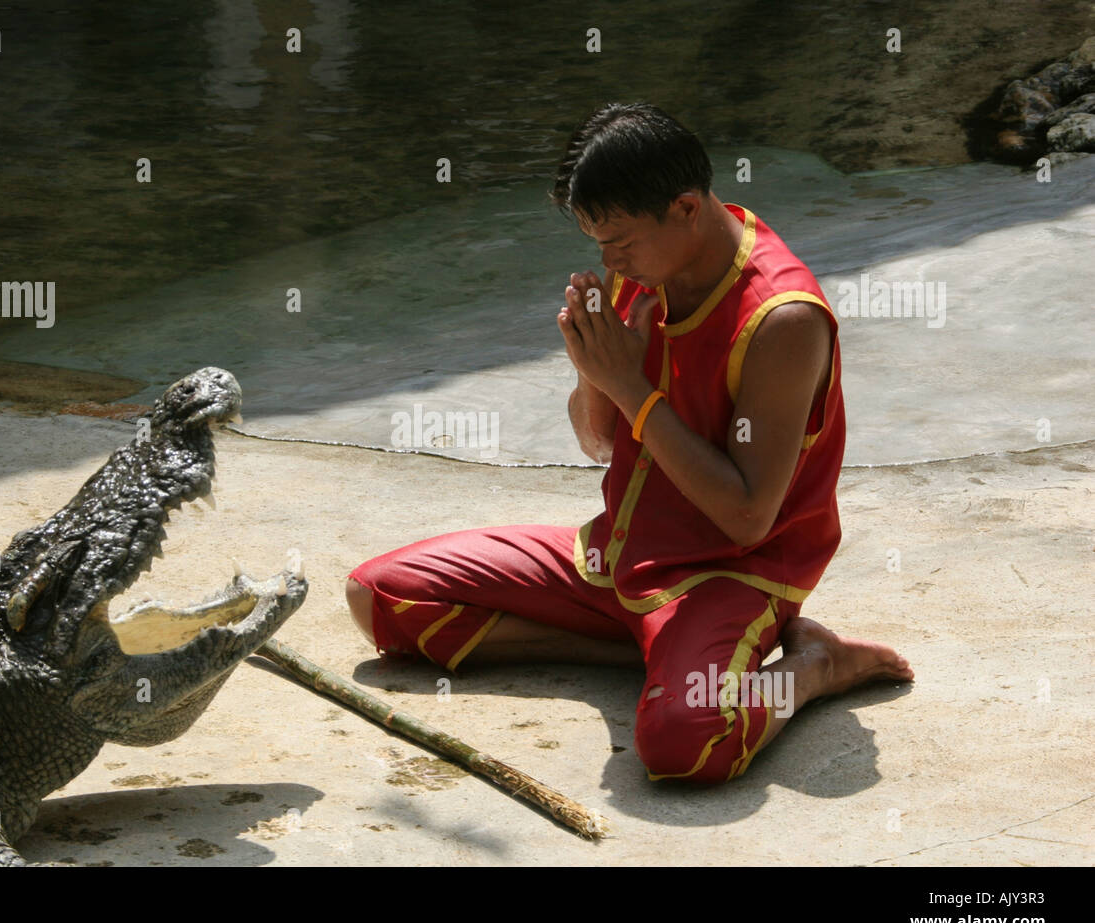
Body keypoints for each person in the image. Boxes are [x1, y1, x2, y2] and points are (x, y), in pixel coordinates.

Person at [345, 103, 913, 784]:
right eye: (597, 242)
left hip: (731, 573)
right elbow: (597, 442)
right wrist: (599, 378)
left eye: (620, 241)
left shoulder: (780, 320)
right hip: (617, 554)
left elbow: (747, 516)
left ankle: (812, 668)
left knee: (685, 743)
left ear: (685, 208)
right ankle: (650, 654)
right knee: (380, 599)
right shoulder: (638, 275)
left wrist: (631, 387)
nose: (608, 260)